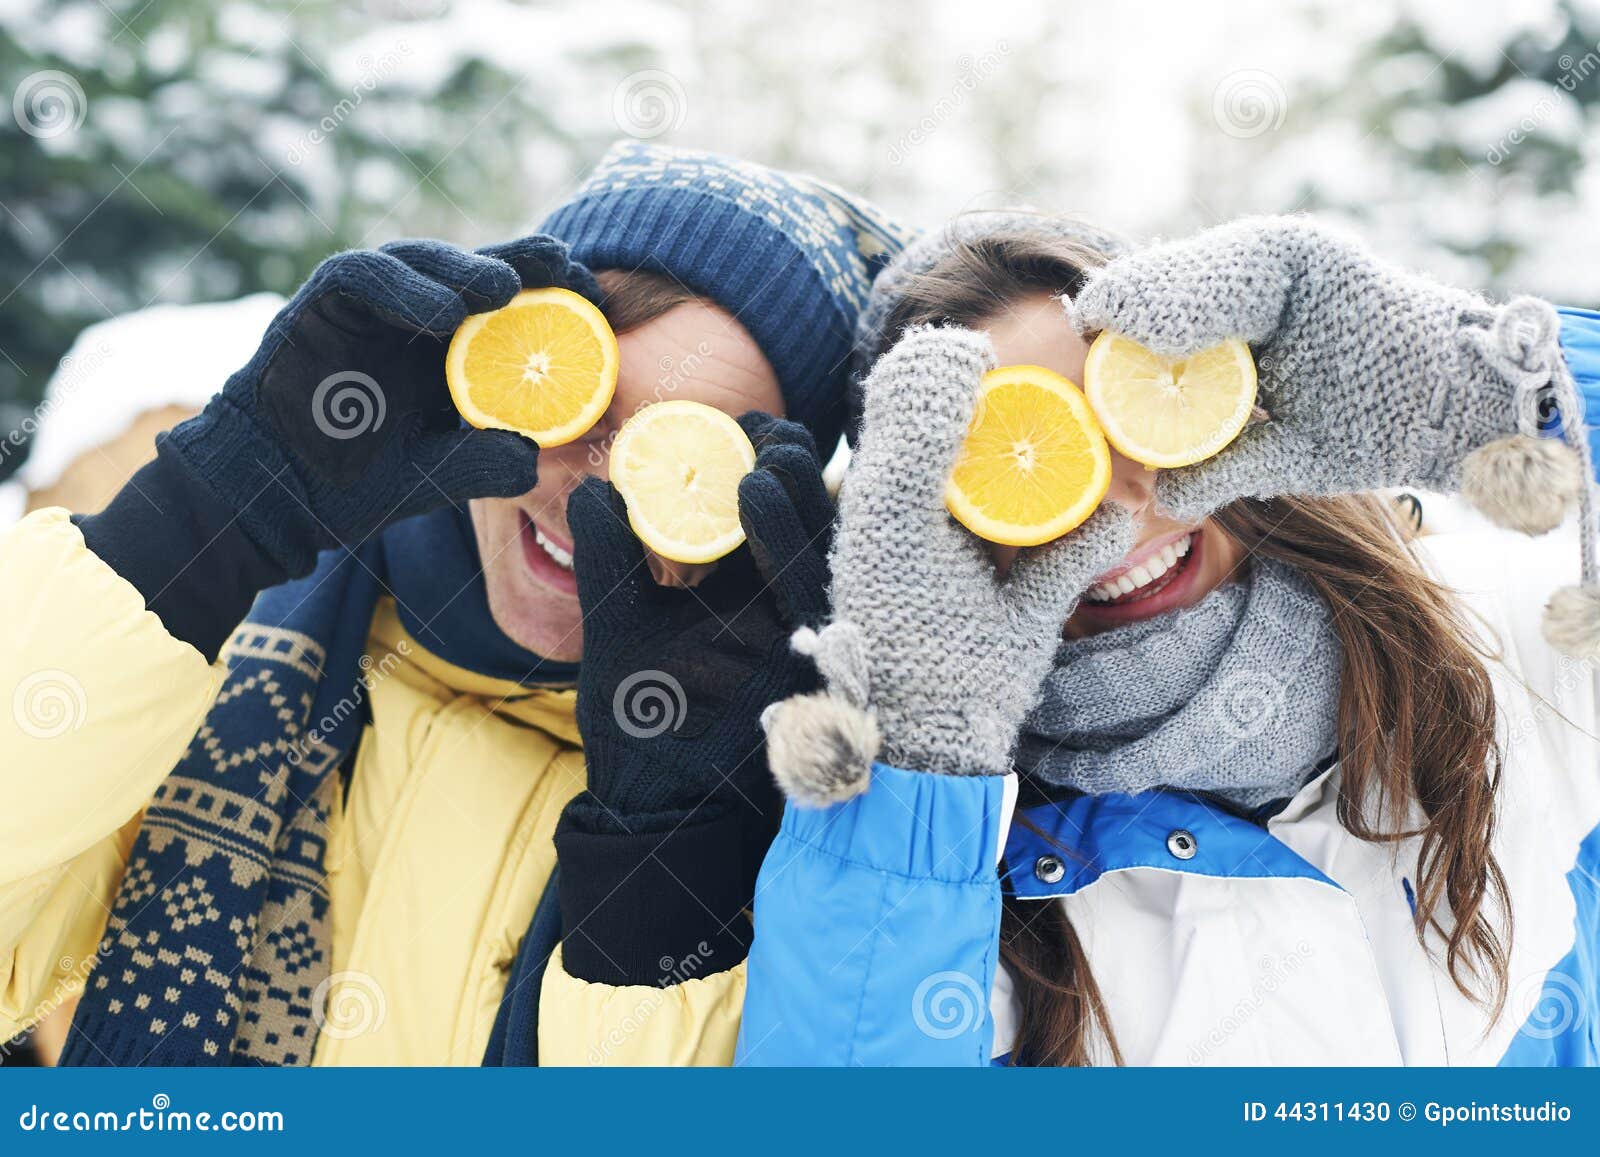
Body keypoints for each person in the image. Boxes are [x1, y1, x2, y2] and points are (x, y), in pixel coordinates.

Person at [0, 141, 911, 1066]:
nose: (591, 494)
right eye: (573, 399)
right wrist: (200, 524)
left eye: (683, 457)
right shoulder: (218, 649)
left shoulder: (792, 834)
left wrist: (667, 842)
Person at [736, 211, 1600, 1066]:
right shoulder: (963, 888)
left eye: (1132, 412)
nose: (1119, 498)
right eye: (1022, 457)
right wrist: (919, 767)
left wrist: (1495, 393)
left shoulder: (1504, 650)